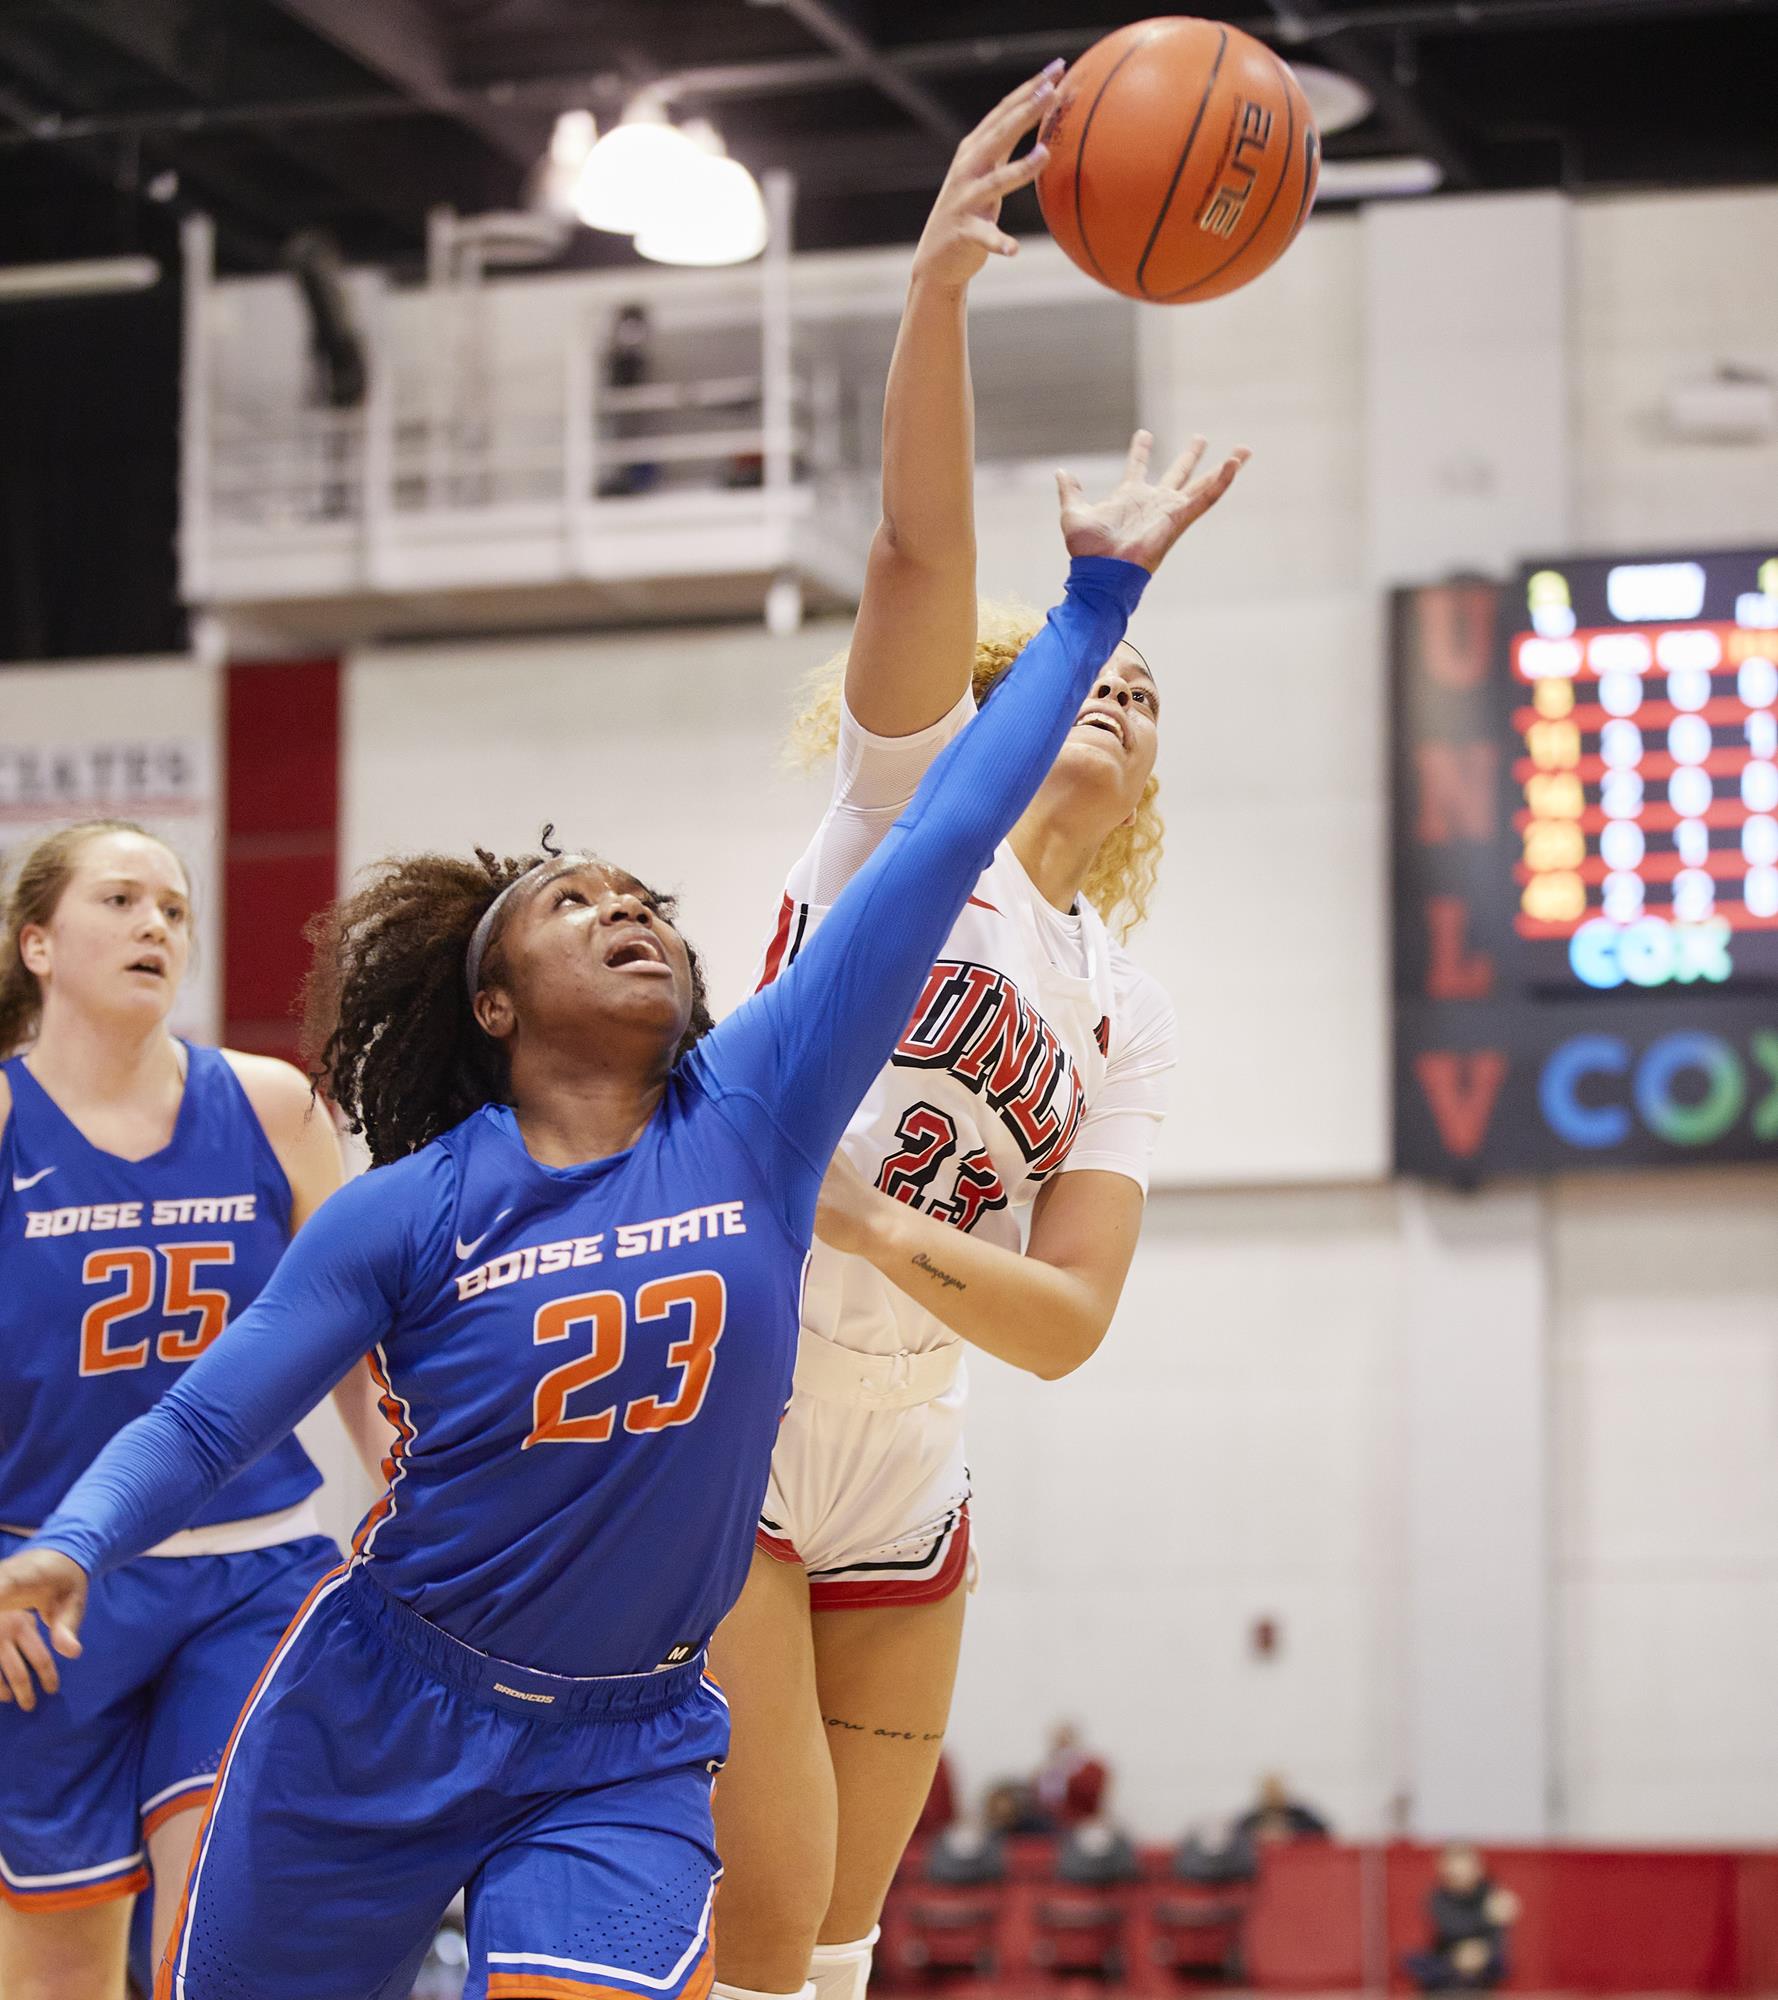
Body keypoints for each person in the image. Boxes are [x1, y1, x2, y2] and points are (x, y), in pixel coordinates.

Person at [0, 449, 1214, 2000]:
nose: (629, 910)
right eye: (576, 905)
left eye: (645, 898)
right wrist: (74, 1542)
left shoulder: (760, 1111)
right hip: (383, 1698)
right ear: (493, 1003)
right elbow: (211, 1408)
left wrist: (1097, 597)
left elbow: (942, 841)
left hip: (625, 1742)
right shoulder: (405, 1210)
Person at [708, 64, 1247, 2000]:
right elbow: (917, 561)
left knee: (844, 1948)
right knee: (755, 1920)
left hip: (909, 1440)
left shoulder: (1126, 1004)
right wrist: (936, 290)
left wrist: (873, 1228)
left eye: (1148, 696)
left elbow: (1066, 1324)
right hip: (745, 1390)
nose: (1120, 701)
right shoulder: (903, 805)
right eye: (1093, 676)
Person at [0, 818, 390, 2000]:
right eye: (119, 901)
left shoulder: (271, 1105)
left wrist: (404, 1487)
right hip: (46, 1587)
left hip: (254, 1567)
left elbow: (358, 1336)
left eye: (172, 908)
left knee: (218, 1928)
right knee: (58, 1963)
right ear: (36, 944)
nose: (155, 926)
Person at [1403, 1844, 1518, 1992]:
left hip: (1484, 1970)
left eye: (1464, 1869)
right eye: (1453, 1873)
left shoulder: (1493, 1894)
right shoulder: (1437, 1897)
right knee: (1416, 1962)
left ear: (1477, 1868)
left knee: (1499, 1965)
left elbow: (1499, 1940)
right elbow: (1451, 1928)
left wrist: (1481, 1955)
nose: (1459, 1876)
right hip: (1446, 1966)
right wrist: (1486, 1916)